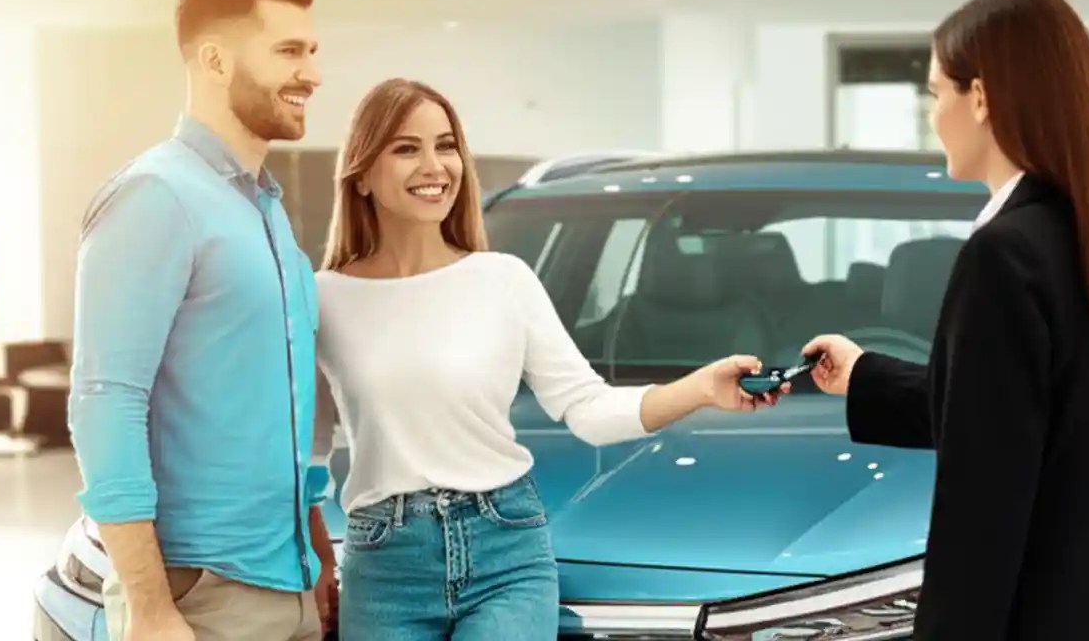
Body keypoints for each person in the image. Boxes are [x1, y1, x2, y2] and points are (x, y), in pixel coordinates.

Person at [313, 78, 784, 640]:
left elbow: (587, 408)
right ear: (362, 174)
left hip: (503, 551)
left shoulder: (502, 280)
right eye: (406, 148)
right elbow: (305, 452)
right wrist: (317, 556)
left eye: (445, 145)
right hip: (384, 565)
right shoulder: (323, 297)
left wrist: (703, 388)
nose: (435, 165)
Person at [798, 0, 1089, 641]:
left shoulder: (1004, 254)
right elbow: (1013, 415)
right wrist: (865, 374)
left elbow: (983, 513)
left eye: (937, 93)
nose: (933, 114)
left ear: (982, 97)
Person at [68, 0, 337, 641]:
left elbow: (275, 407)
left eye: (311, 51)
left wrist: (318, 552)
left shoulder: (265, 211)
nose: (312, 74)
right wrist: (151, 609)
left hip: (291, 588)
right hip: (202, 600)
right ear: (214, 59)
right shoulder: (156, 195)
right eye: (288, 51)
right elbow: (105, 399)